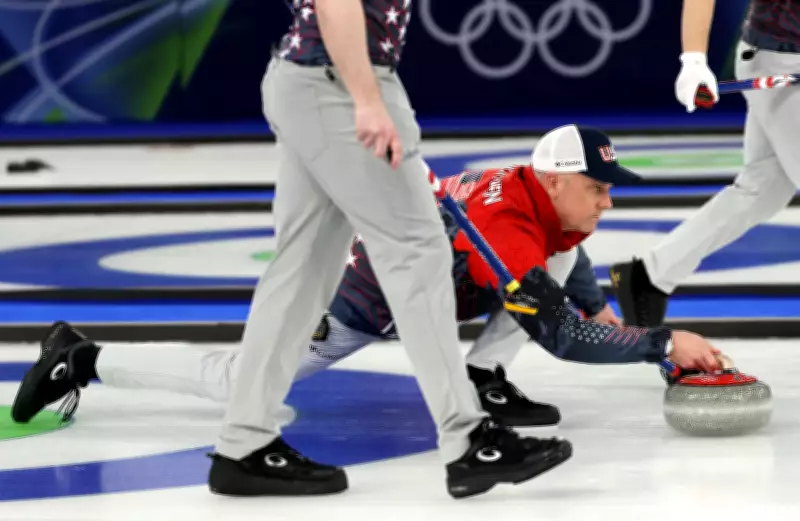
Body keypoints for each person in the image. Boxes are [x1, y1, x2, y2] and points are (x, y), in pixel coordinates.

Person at [9, 0, 575, 501]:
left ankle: (243, 445)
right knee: (417, 252)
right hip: (337, 81)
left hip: (312, 78)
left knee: (302, 270)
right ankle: (468, 439)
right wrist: (366, 97)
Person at [12, 125, 725, 485]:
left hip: (430, 283)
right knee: (240, 384)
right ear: (556, 180)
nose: (608, 201)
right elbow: (562, 337)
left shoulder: (542, 202)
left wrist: (621, 326)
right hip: (362, 300)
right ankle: (83, 357)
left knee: (555, 268)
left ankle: (482, 376)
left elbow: (575, 281)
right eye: (598, 187)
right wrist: (663, 343)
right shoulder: (508, 224)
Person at [609, 0, 800, 329]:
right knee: (763, 186)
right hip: (782, 63)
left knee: (763, 188)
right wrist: (693, 60)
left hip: (780, 57)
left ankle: (649, 275)